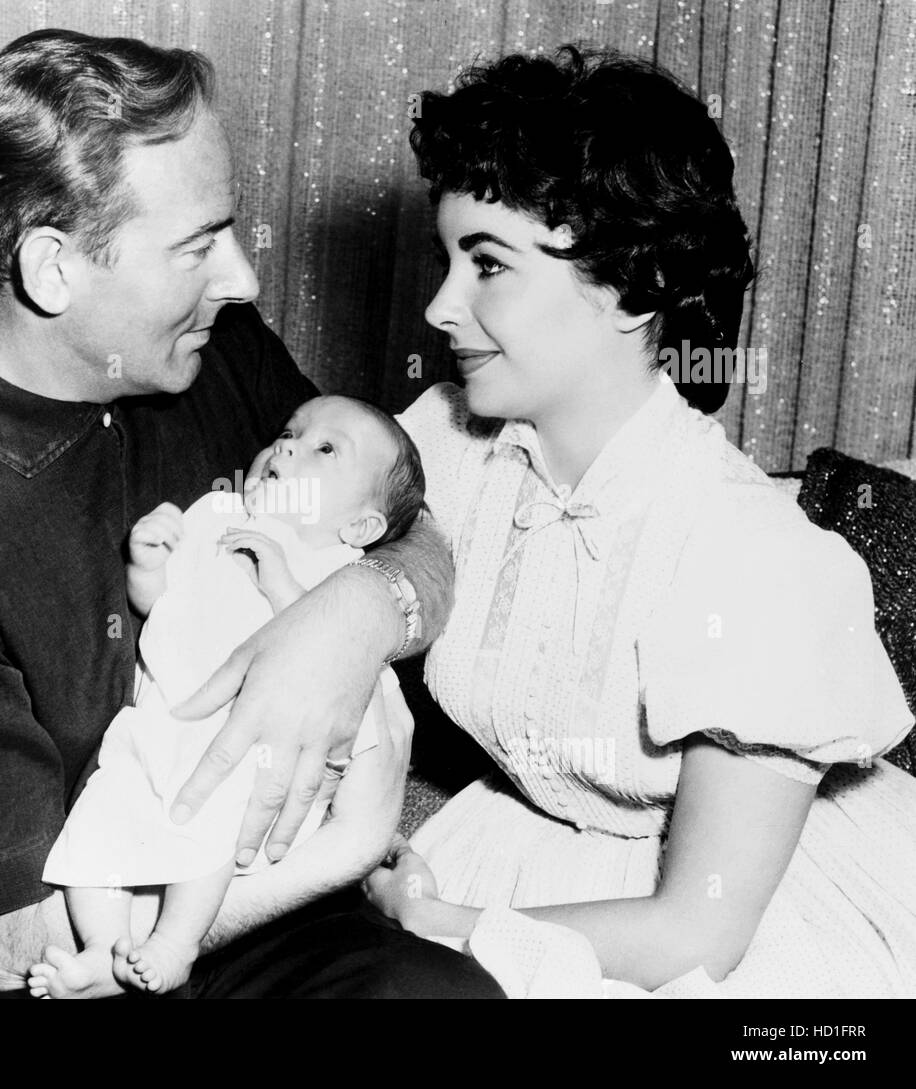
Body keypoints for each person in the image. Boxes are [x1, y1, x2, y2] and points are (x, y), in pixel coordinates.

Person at [0, 28, 499, 998]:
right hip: (36, 947)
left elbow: (404, 520)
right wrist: (347, 849)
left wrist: (359, 613)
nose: (243, 280)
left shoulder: (216, 344)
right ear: (52, 269)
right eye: (197, 245)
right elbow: (23, 947)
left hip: (226, 900)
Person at [366, 45, 916, 997]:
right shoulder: (448, 442)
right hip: (526, 840)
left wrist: (443, 923)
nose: (439, 306)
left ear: (630, 289)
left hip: (743, 920)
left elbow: (698, 932)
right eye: (447, 258)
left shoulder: (756, 558)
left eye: (488, 264)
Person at [35, 395, 426, 996]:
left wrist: (284, 585)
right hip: (161, 721)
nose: (289, 445)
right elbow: (161, 606)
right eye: (288, 431)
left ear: (360, 526)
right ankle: (101, 947)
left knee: (214, 830)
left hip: (248, 739)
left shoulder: (339, 570)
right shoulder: (218, 512)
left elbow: (332, 649)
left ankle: (175, 940)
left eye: (325, 450)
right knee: (102, 821)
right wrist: (149, 564)